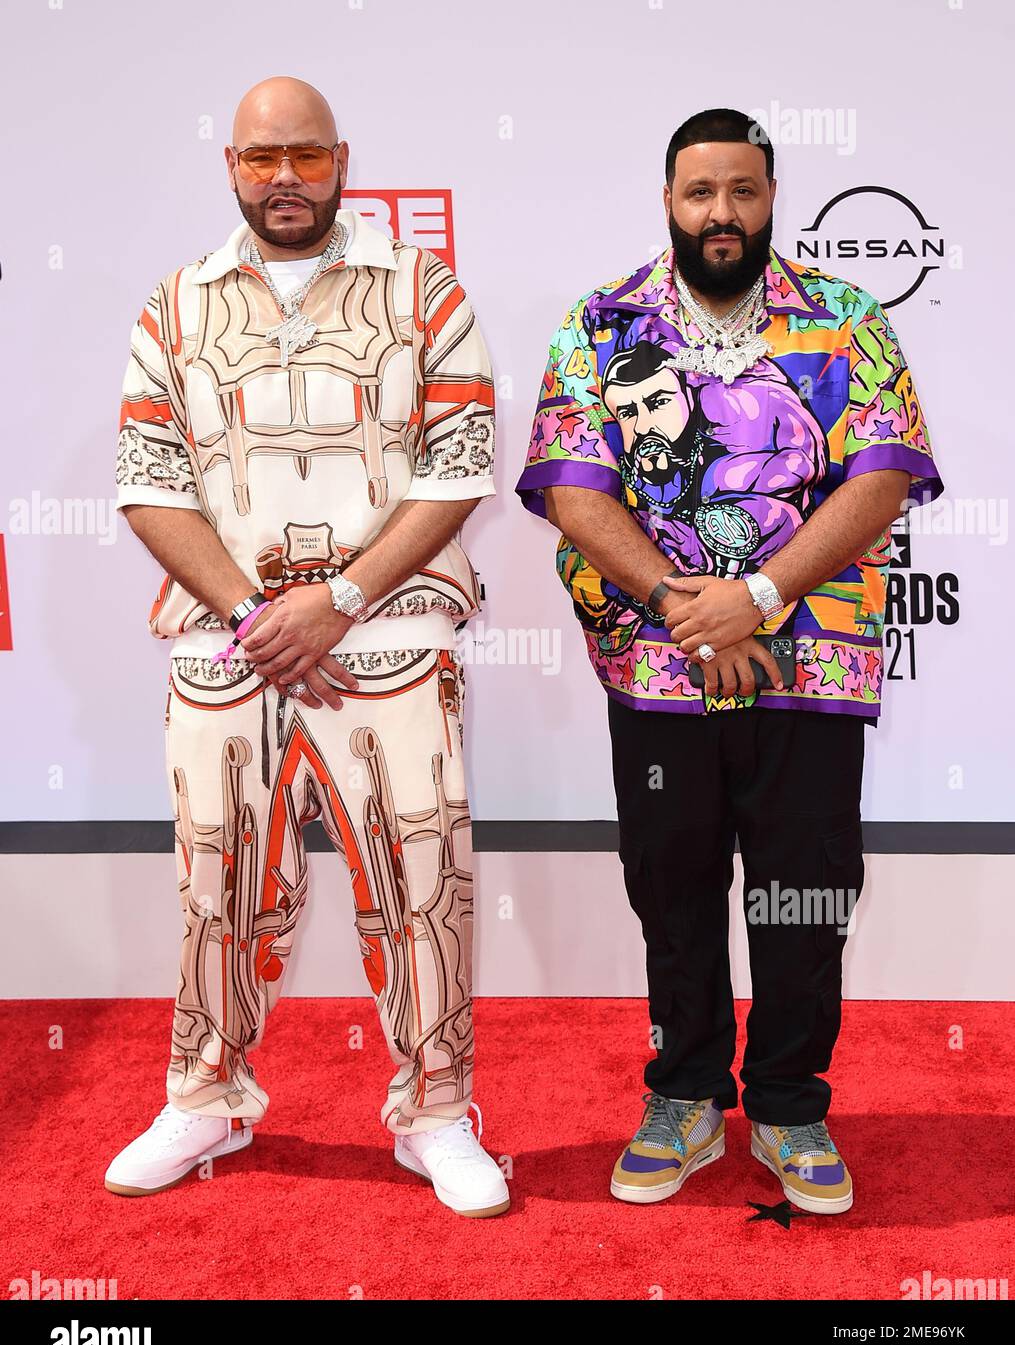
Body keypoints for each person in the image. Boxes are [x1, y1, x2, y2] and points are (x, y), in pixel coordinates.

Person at [516, 108, 942, 1214]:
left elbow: (880, 477)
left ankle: (792, 1103)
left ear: (769, 198)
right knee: (673, 885)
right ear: (668, 198)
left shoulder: (843, 320)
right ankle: (687, 1095)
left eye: (743, 192)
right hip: (659, 668)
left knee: (803, 890)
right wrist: (680, 604)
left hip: (811, 658)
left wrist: (757, 594)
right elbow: (572, 488)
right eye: (701, 192)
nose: (722, 213)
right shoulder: (602, 325)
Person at [104, 76, 509, 1218]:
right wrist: (253, 613)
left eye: (305, 155)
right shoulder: (174, 306)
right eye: (259, 157)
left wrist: (335, 597)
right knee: (211, 883)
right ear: (229, 167)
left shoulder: (424, 289)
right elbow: (148, 485)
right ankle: (204, 1097)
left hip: (391, 634)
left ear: (343, 159)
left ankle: (435, 1112)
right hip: (224, 650)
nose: (283, 177)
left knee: (425, 878)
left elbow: (459, 464)